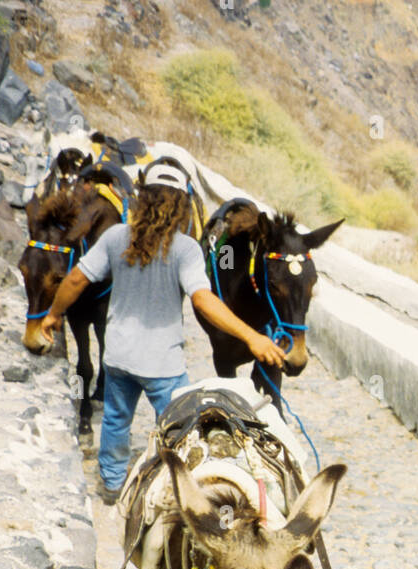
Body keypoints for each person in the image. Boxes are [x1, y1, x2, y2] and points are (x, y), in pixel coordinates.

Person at [40, 163, 286, 504]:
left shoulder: (115, 238)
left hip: (120, 356)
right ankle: (174, 486)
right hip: (163, 365)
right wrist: (252, 337)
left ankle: (112, 484)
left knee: (115, 420)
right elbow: (202, 299)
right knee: (178, 428)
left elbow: (77, 279)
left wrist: (53, 315)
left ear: (143, 199)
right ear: (180, 205)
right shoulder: (185, 249)